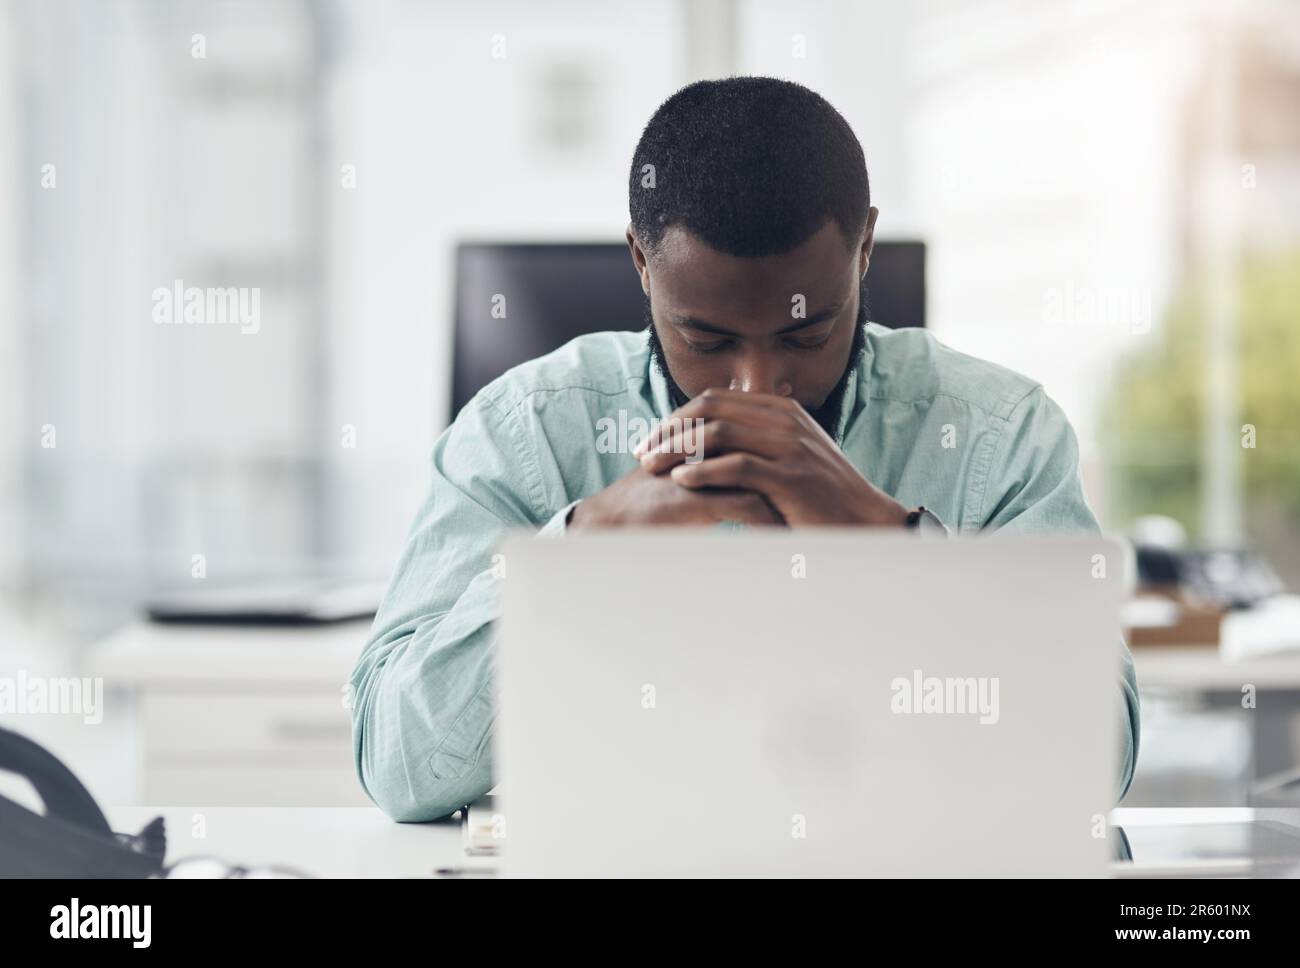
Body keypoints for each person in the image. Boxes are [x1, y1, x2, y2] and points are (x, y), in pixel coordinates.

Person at [349, 76, 1140, 822]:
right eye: (708, 337)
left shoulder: (997, 432)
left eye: (807, 332)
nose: (760, 389)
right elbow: (398, 766)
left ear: (865, 250)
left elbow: (1094, 764)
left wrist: (891, 545)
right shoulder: (526, 433)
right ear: (640, 262)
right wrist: (582, 546)